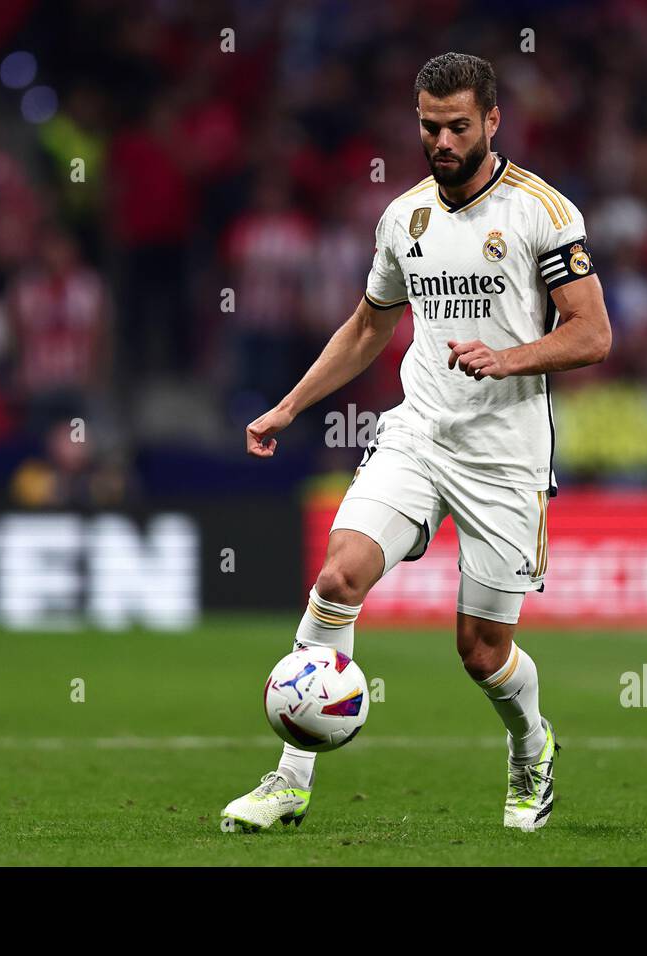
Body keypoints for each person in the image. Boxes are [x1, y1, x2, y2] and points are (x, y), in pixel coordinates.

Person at [221, 53, 612, 833]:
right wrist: (290, 406)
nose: (441, 139)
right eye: (429, 125)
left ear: (493, 120)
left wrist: (508, 358)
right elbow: (370, 327)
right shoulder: (404, 219)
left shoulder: (544, 212)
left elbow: (594, 334)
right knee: (336, 578)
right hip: (418, 434)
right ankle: (289, 779)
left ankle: (532, 748)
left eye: (458, 126)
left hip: (505, 455)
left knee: (481, 651)